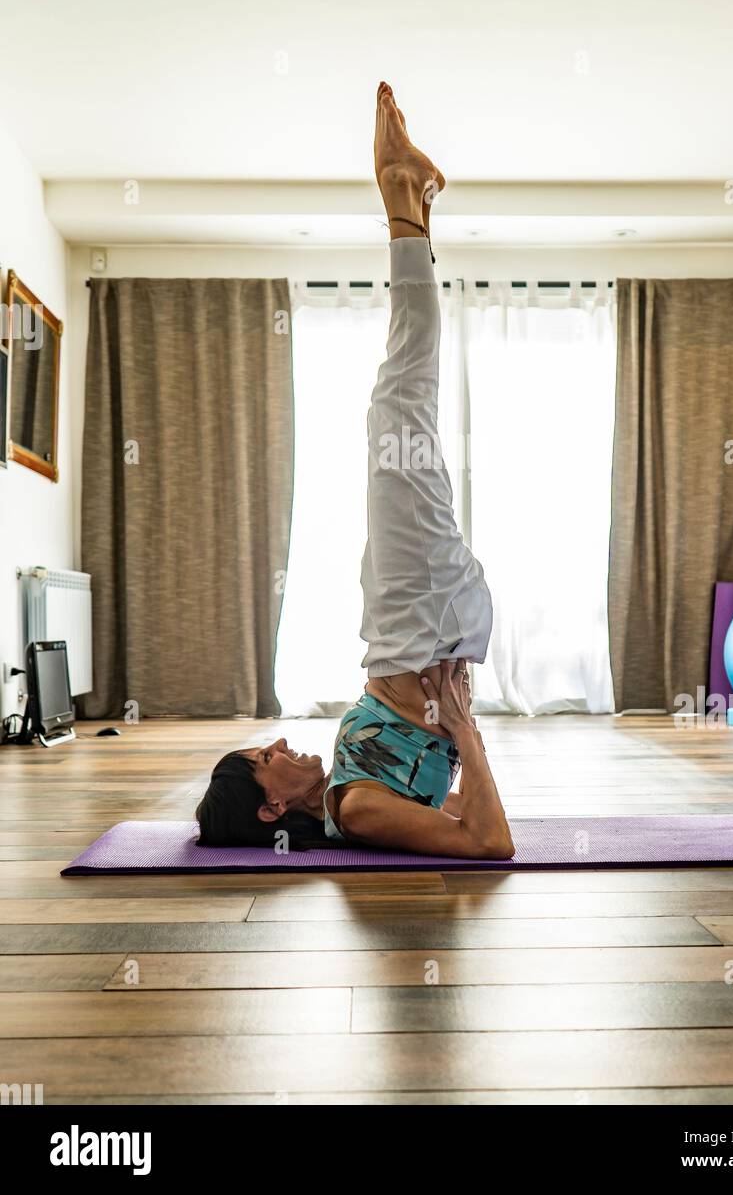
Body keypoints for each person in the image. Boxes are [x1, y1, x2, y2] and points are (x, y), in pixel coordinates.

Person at [196, 84, 514, 860]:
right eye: (261, 759)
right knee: (397, 405)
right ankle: (404, 201)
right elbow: (490, 843)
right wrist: (465, 729)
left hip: (407, 625)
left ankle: (418, 201)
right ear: (272, 809)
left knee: (399, 410)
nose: (275, 744)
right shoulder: (359, 809)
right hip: (424, 623)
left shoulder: (346, 782)